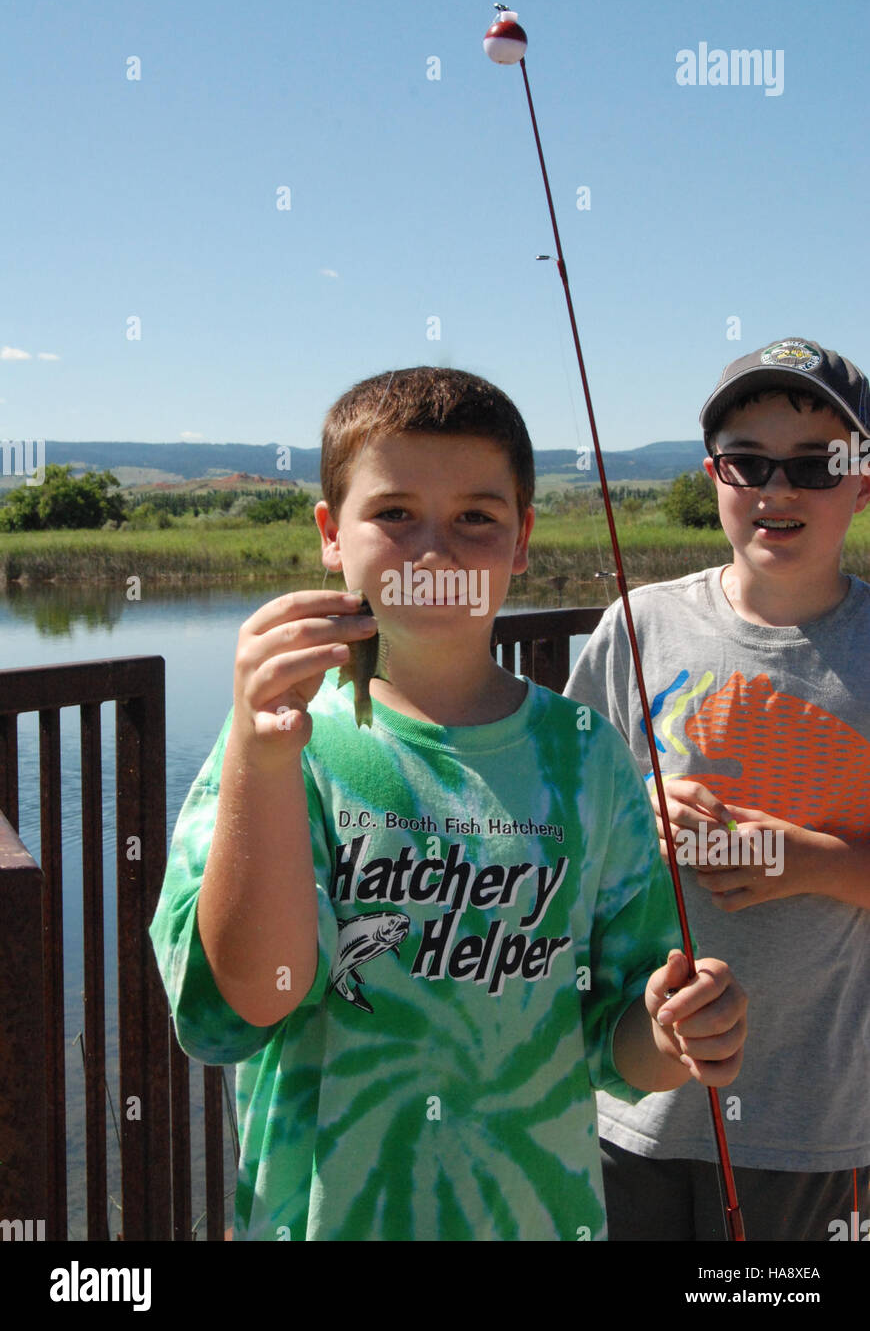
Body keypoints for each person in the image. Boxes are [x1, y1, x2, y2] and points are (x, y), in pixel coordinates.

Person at [149, 365, 746, 1242]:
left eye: (476, 517)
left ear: (522, 539)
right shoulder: (279, 750)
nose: (434, 553)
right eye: (394, 514)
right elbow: (251, 1001)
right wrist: (262, 758)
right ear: (330, 533)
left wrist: (681, 1031)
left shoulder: (587, 757)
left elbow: (623, 1046)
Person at [564, 338, 870, 1242]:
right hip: (634, 1103)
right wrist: (637, 821)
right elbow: (559, 834)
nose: (779, 491)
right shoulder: (638, 624)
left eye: (817, 465)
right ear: (713, 476)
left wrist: (807, 861)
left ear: (864, 482)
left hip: (816, 1124)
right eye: (750, 461)